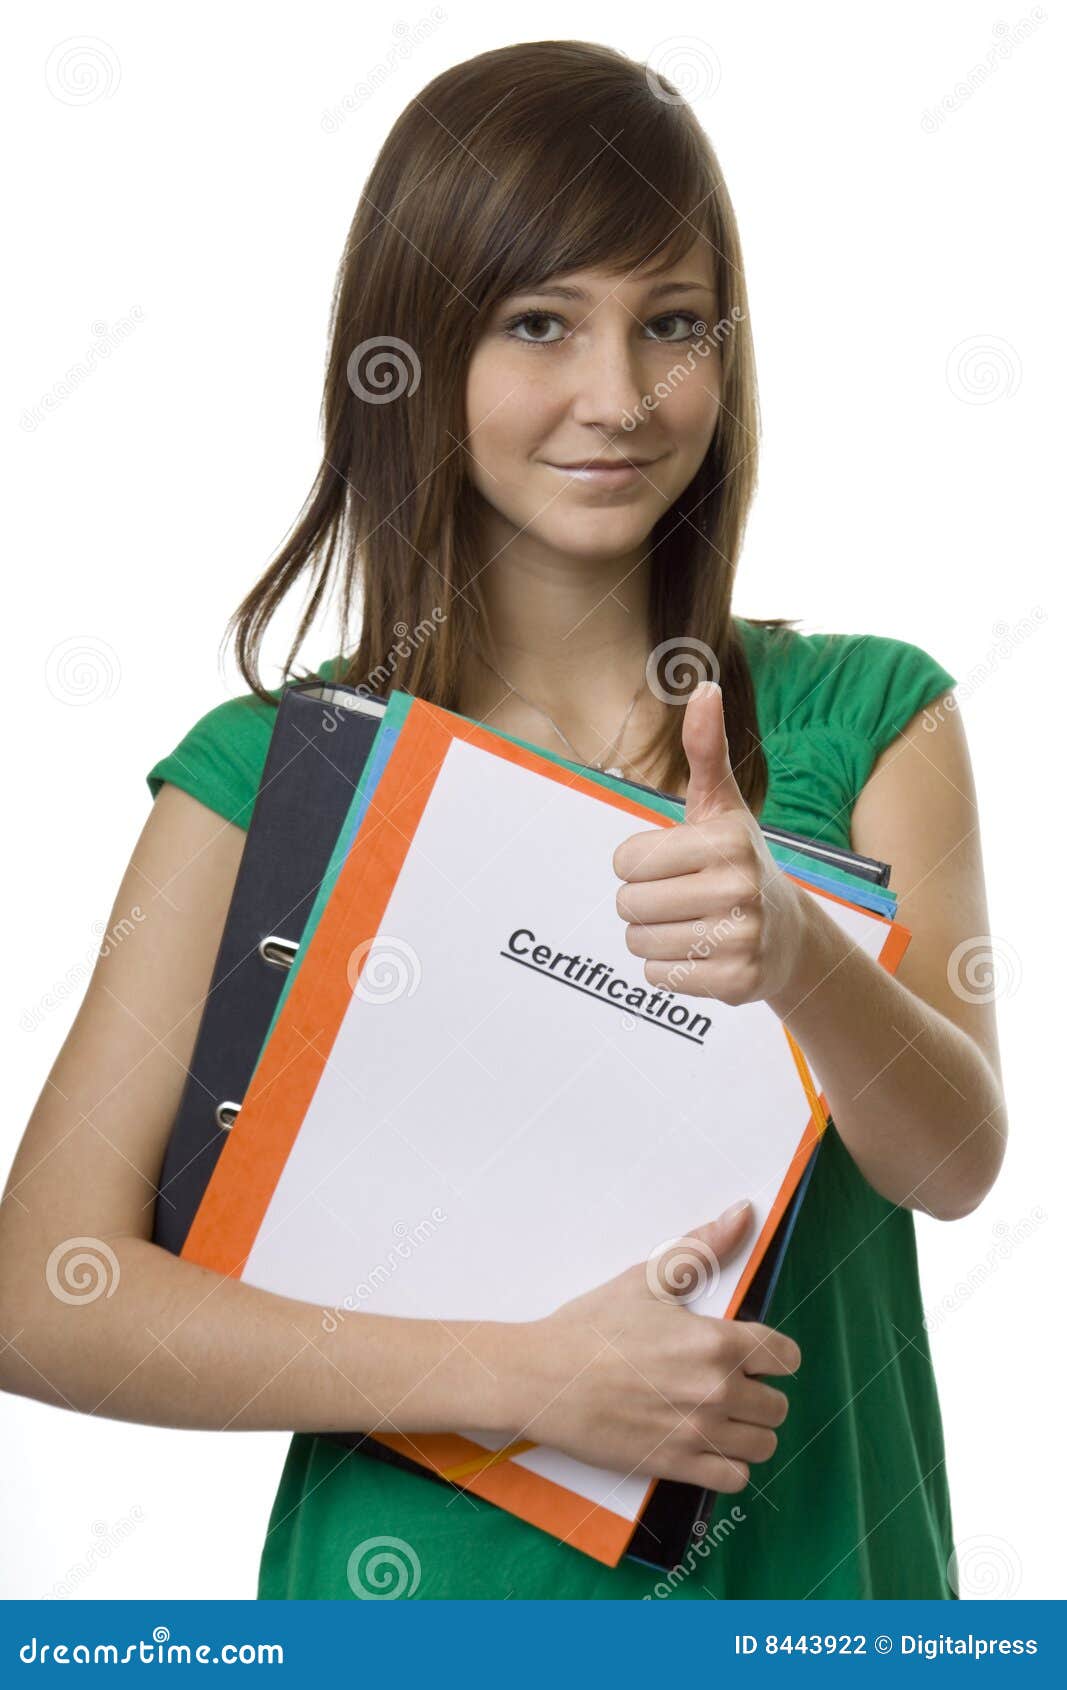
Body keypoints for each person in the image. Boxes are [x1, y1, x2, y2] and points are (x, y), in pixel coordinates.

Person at [0, 40, 1006, 1602]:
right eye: (541, 324)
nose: (617, 396)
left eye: (670, 326)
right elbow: (41, 1297)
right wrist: (521, 1377)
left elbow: (954, 1162)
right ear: (412, 352)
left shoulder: (864, 714)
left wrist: (801, 948)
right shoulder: (267, 777)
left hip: (823, 1600)